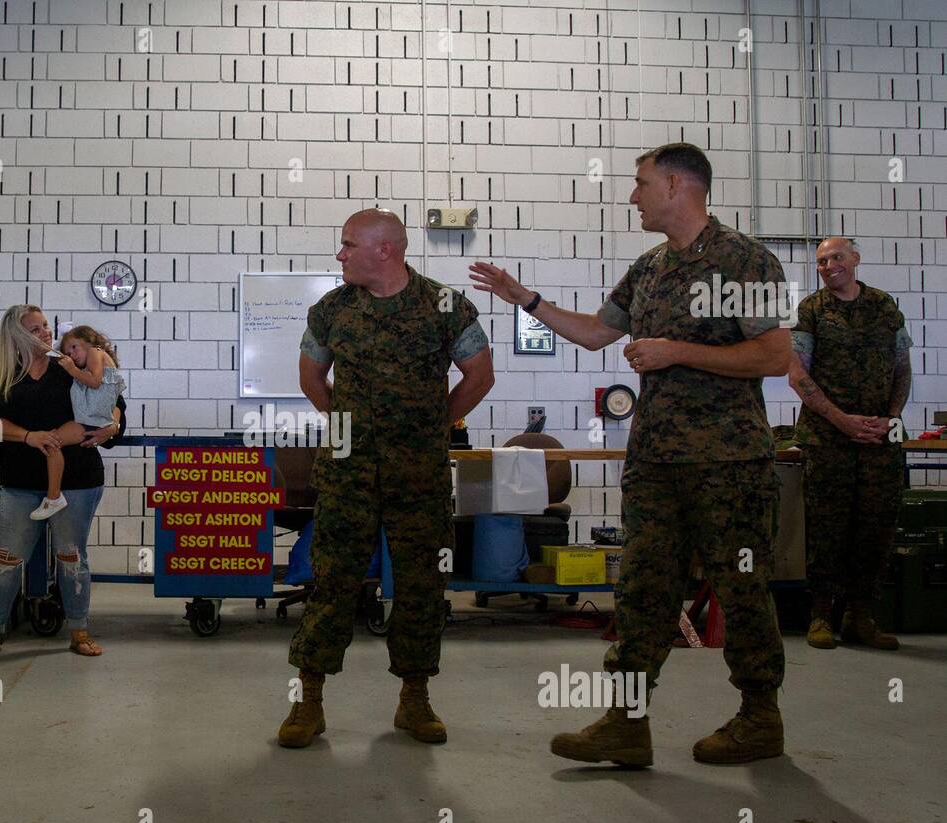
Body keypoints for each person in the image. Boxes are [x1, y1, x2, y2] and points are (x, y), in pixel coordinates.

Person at [471, 142, 792, 765]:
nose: (632, 194)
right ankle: (626, 722)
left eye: (641, 183)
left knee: (741, 586)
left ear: (677, 185)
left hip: (728, 463)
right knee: (644, 589)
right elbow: (596, 333)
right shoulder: (649, 268)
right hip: (656, 463)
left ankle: (760, 718)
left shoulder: (745, 261)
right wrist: (525, 300)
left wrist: (677, 351)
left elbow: (775, 356)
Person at [279, 208, 494, 748]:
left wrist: (435, 422)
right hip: (348, 473)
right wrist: (347, 427)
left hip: (418, 474)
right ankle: (309, 701)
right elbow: (310, 376)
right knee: (331, 580)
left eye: (349, 244)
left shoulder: (445, 305)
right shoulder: (331, 309)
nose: (340, 253)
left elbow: (480, 375)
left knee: (422, 584)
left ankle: (414, 699)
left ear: (385, 250)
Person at [0, 305, 125, 660]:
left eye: (46, 325)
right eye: (36, 328)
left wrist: (114, 425)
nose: (46, 332)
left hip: (77, 479)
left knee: (71, 558)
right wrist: (29, 436)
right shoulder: (0, 374)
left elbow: (113, 399)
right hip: (20, 480)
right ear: (16, 334)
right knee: (6, 560)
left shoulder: (69, 365)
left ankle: (79, 631)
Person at [789, 237, 911, 651]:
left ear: (855, 259)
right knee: (827, 527)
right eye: (822, 261)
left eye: (836, 257)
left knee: (875, 529)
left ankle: (861, 615)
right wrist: (841, 421)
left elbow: (902, 367)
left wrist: (892, 419)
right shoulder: (811, 311)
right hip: (828, 438)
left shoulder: (885, 306)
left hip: (881, 438)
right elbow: (797, 376)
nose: (828, 266)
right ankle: (822, 614)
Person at [31, 326, 126, 520]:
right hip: (90, 420)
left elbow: (96, 382)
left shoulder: (94, 353)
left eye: (75, 347)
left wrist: (71, 369)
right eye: (67, 352)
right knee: (52, 441)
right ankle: (54, 496)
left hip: (93, 422)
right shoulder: (86, 365)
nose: (72, 355)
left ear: (90, 342)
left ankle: (54, 496)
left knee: (51, 442)